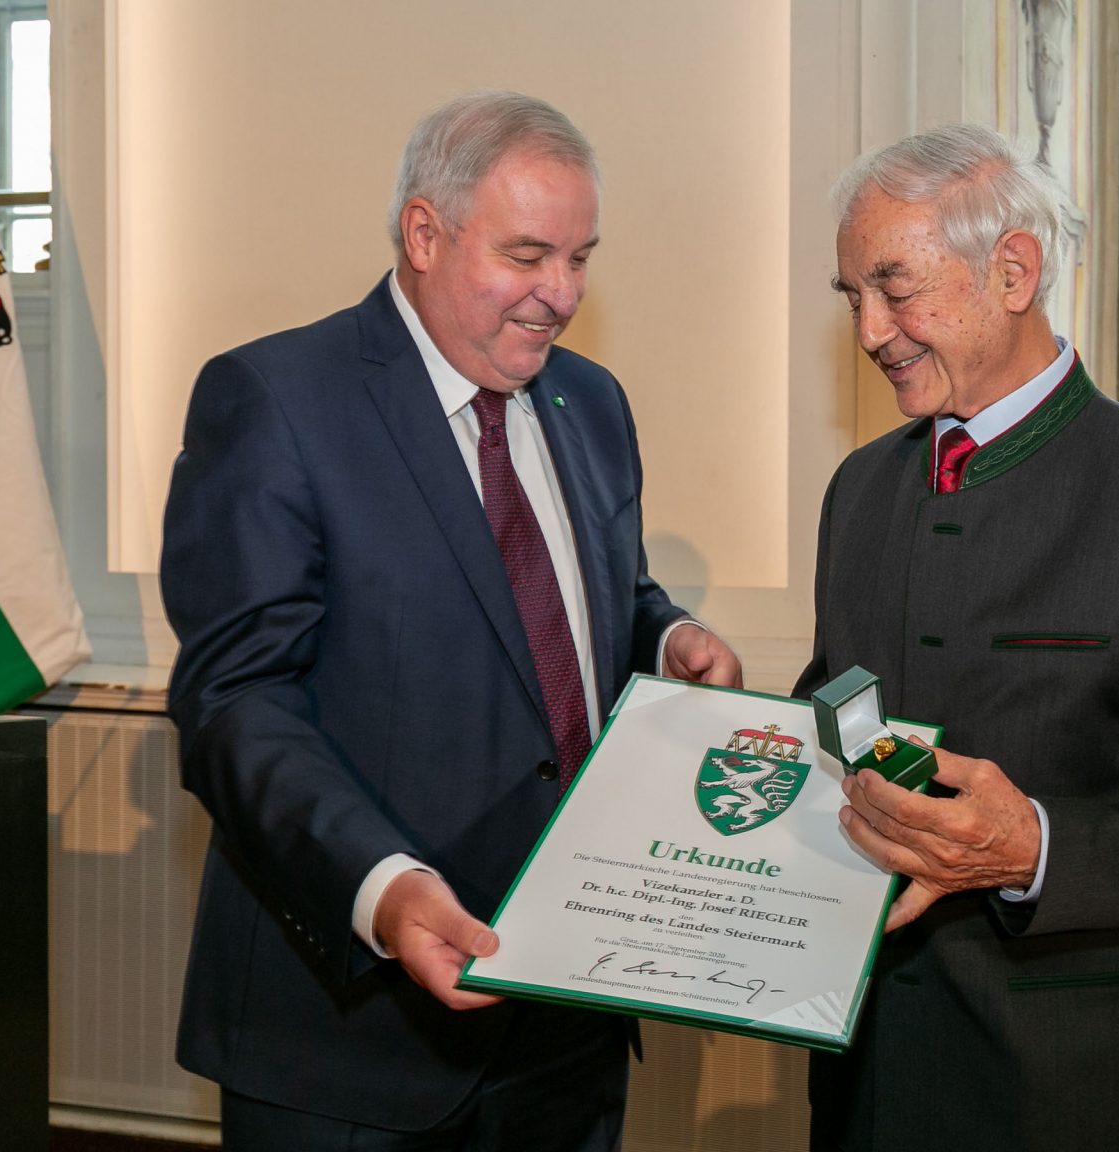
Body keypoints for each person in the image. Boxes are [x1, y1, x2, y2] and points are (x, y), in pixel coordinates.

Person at [160, 91, 740, 1152]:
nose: (560, 295)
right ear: (424, 233)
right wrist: (382, 889)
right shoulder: (278, 399)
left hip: (569, 1019)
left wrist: (663, 637)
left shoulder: (593, 403)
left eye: (580, 258)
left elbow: (584, 598)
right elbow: (235, 701)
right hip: (349, 1039)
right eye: (528, 256)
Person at [795, 123, 1119, 1151]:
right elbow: (839, 714)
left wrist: (1033, 849)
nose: (871, 331)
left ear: (1013, 270)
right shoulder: (860, 491)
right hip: (865, 1077)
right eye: (853, 297)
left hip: (1066, 1089)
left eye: (896, 287)